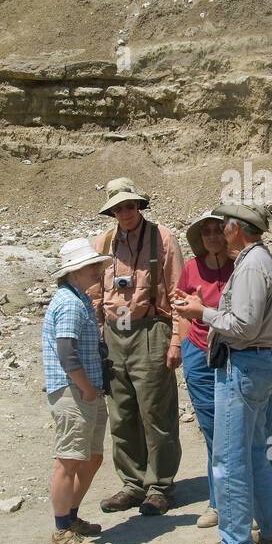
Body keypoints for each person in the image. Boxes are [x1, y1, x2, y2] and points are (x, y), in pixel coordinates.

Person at [172, 199, 272, 544]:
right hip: (253, 364)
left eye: (224, 225)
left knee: (230, 458)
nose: (220, 231)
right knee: (256, 454)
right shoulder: (256, 261)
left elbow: (243, 325)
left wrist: (201, 312)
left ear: (236, 229)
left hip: (242, 365)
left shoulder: (253, 265)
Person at [93, 178, 184, 516]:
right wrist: (97, 335)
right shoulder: (103, 242)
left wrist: (176, 340)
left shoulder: (163, 238)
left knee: (156, 413)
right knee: (122, 413)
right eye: (118, 208)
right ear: (112, 211)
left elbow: (178, 292)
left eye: (129, 205)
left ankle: (160, 485)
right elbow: (94, 293)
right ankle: (133, 484)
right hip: (114, 335)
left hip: (151, 330)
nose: (124, 212)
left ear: (139, 206)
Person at [42, 238, 111, 544]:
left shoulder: (77, 298)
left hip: (85, 389)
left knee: (91, 456)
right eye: (90, 266)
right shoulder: (70, 303)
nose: (97, 270)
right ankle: (61, 528)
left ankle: (70, 518)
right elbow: (67, 352)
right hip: (75, 391)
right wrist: (85, 386)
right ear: (74, 272)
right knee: (69, 460)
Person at [174, 212, 234, 529]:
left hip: (231, 353)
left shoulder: (240, 265)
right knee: (212, 430)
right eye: (206, 232)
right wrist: (181, 345)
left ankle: (232, 499)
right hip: (198, 352)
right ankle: (217, 501)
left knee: (233, 429)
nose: (212, 236)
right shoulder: (191, 268)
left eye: (217, 230)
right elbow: (181, 307)